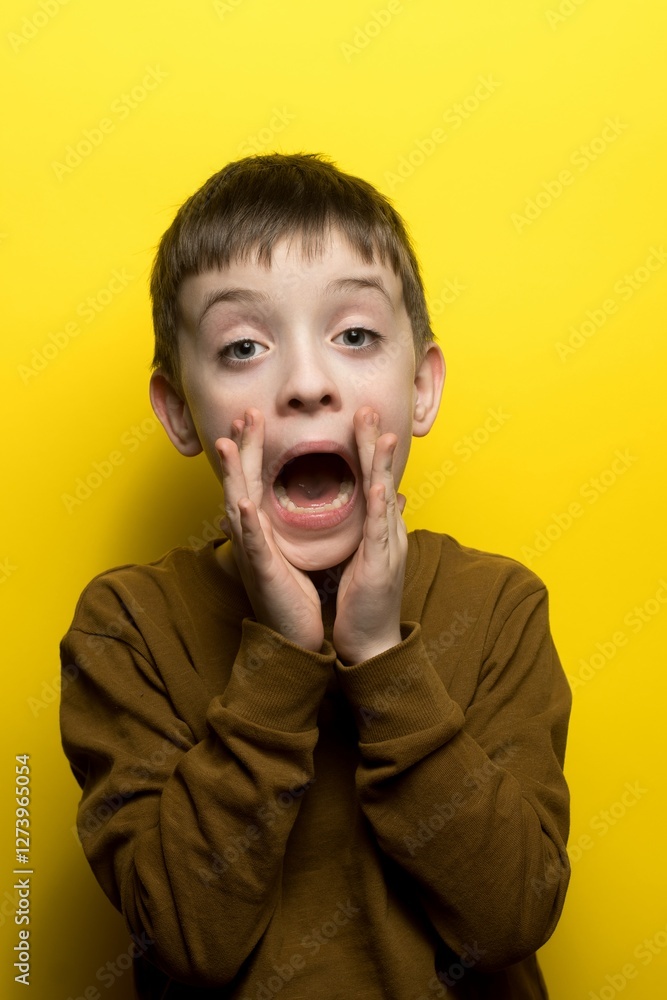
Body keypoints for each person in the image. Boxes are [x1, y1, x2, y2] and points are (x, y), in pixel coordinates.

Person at [60, 153, 571, 1000]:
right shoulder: (127, 626)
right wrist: (282, 660)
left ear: (421, 389)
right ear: (182, 409)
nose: (304, 384)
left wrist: (377, 655)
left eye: (356, 335)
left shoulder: (499, 606)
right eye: (244, 346)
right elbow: (188, 940)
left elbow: (510, 920)